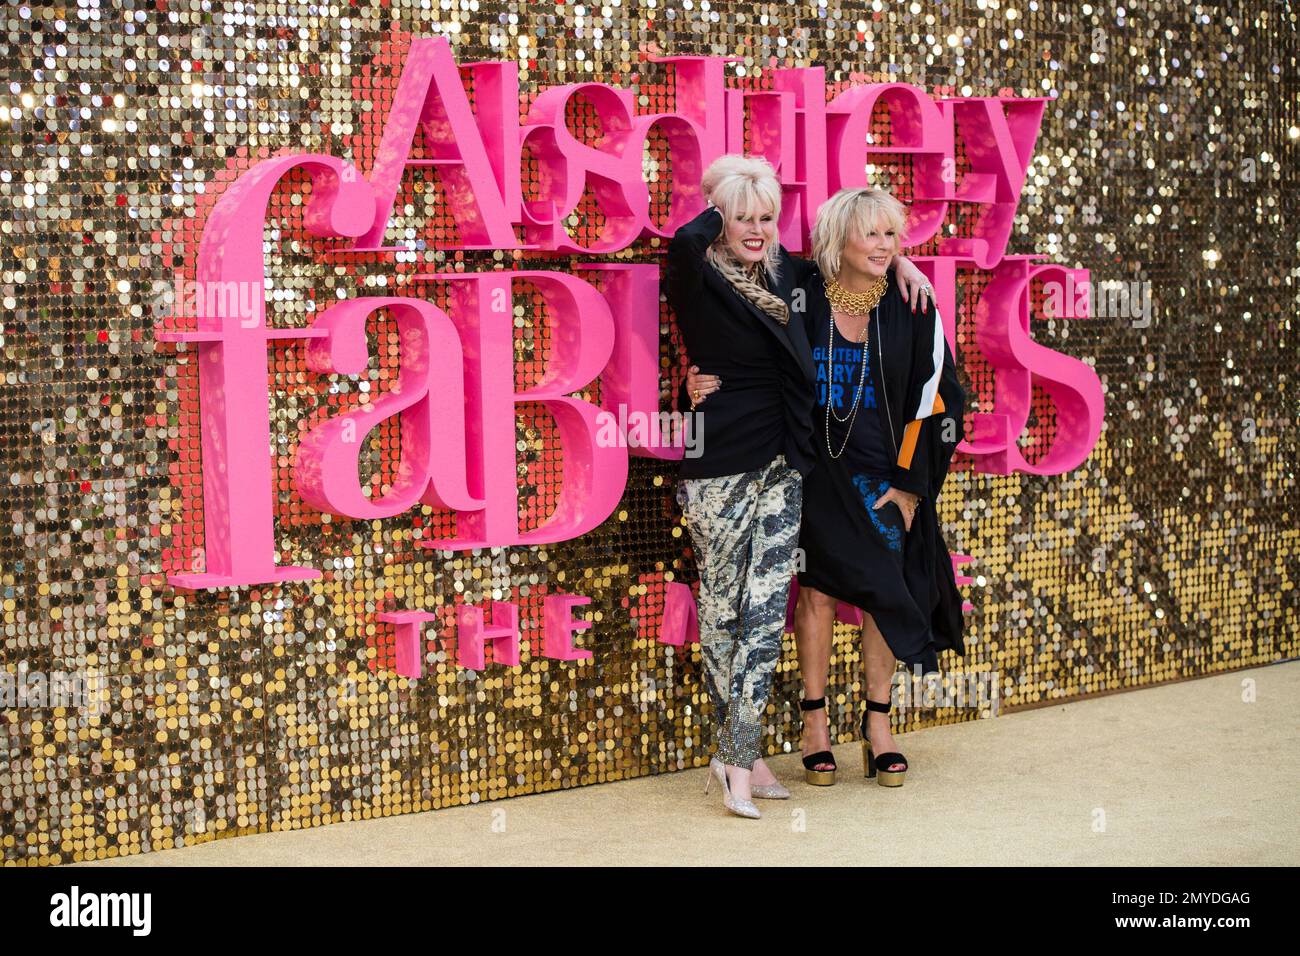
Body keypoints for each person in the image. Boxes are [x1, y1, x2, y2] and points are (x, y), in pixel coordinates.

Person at [685, 187, 964, 789]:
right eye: (873, 235)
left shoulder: (913, 306)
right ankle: (815, 727)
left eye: (893, 235)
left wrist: (913, 488)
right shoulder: (801, 290)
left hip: (886, 479)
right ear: (840, 241)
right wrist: (698, 376)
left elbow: (943, 398)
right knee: (815, 595)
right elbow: (750, 344)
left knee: (883, 595)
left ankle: (878, 725)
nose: (886, 246)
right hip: (813, 472)